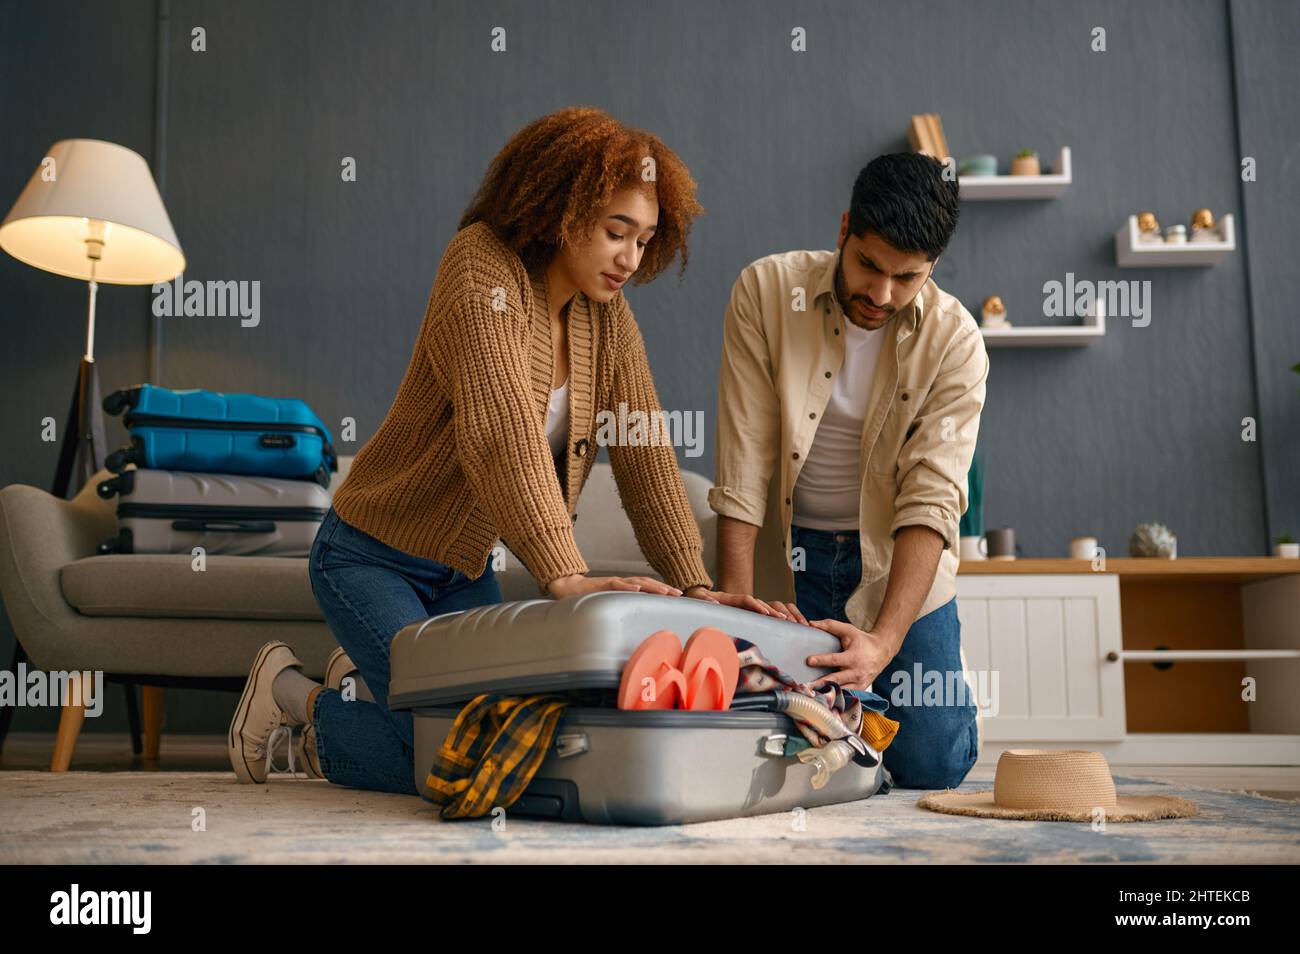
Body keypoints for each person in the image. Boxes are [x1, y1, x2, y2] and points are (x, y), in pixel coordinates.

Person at [228, 107, 779, 792]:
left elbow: (645, 453)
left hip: (460, 572)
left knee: (517, 745)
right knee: (452, 758)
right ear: (561, 209)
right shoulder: (480, 267)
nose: (630, 260)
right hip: (369, 557)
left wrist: (699, 589)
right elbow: (499, 432)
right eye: (616, 232)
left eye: (644, 241)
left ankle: (363, 691)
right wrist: (566, 577)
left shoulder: (606, 314)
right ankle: (292, 700)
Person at [709, 153, 990, 789]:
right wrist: (736, 613)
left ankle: (903, 708)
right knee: (749, 747)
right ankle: (855, 722)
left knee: (931, 765)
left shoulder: (958, 342)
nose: (881, 295)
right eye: (868, 265)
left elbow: (932, 500)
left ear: (933, 268)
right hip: (790, 561)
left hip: (894, 569)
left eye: (907, 277)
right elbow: (745, 457)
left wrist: (885, 644)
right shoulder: (765, 291)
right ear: (843, 230)